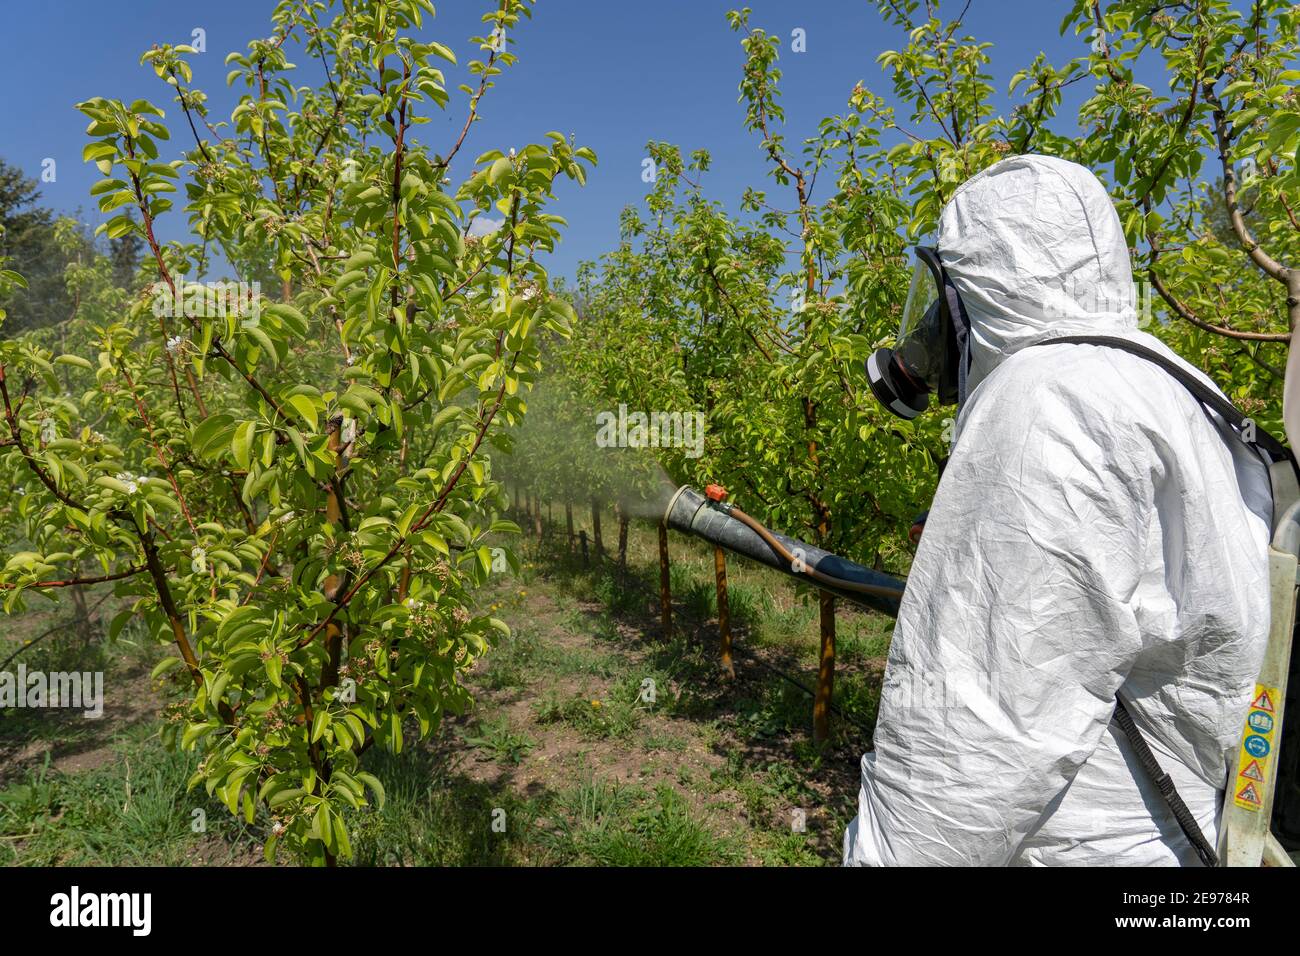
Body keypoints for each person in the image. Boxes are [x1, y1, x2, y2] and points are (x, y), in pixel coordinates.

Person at [847, 154, 1274, 866]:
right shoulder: (1175, 385)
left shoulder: (1047, 403)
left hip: (1078, 845)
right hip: (1183, 834)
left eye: (942, 297)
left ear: (976, 294)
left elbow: (976, 732)